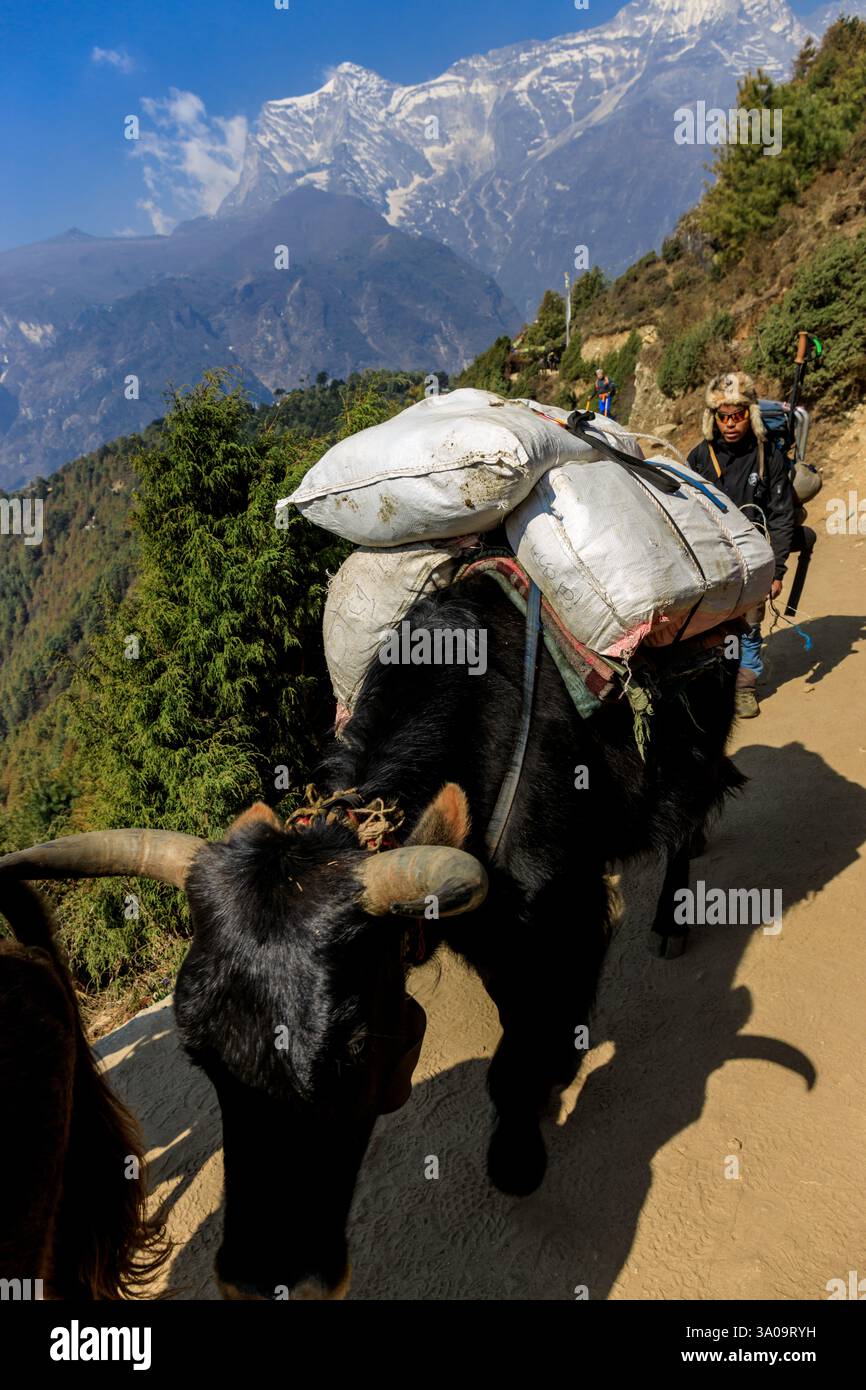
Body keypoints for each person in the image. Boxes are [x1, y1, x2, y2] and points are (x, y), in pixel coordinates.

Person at [687, 372, 795, 720]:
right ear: (713, 419)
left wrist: (776, 571)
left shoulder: (769, 458)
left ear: (751, 415)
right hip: (712, 557)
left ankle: (745, 685)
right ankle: (715, 681)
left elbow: (781, 517)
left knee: (749, 624)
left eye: (738, 415)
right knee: (710, 625)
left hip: (755, 558)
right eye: (723, 416)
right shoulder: (700, 456)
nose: (730, 424)